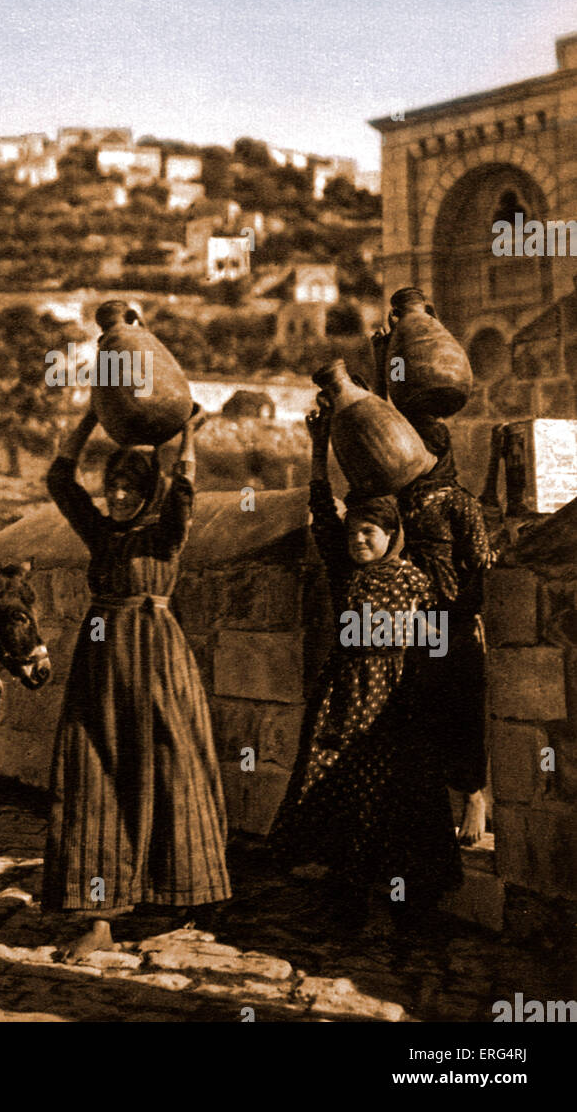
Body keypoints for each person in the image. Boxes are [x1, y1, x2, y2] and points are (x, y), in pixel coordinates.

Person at [42, 405, 230, 963]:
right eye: (113, 486)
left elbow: (184, 495)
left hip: (158, 667)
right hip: (99, 669)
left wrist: (188, 437)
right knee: (90, 778)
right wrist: (88, 419)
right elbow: (59, 479)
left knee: (174, 772)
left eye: (130, 488)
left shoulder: (163, 538)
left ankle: (189, 892)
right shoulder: (101, 535)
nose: (118, 496)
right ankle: (98, 917)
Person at [269, 406, 462, 932]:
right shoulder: (344, 575)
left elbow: (433, 650)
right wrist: (317, 448)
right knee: (335, 796)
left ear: (392, 535)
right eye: (356, 531)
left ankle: (404, 909)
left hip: (394, 713)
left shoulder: (417, 581)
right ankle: (345, 902)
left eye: (371, 532)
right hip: (344, 703)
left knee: (394, 806)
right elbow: (322, 512)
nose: (359, 540)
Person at [397, 416, 492, 844]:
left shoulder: (459, 501)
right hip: (410, 620)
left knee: (461, 711)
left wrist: (465, 617)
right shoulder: (400, 497)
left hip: (451, 618)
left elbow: (479, 563)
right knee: (418, 714)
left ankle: (474, 796)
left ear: (436, 452)